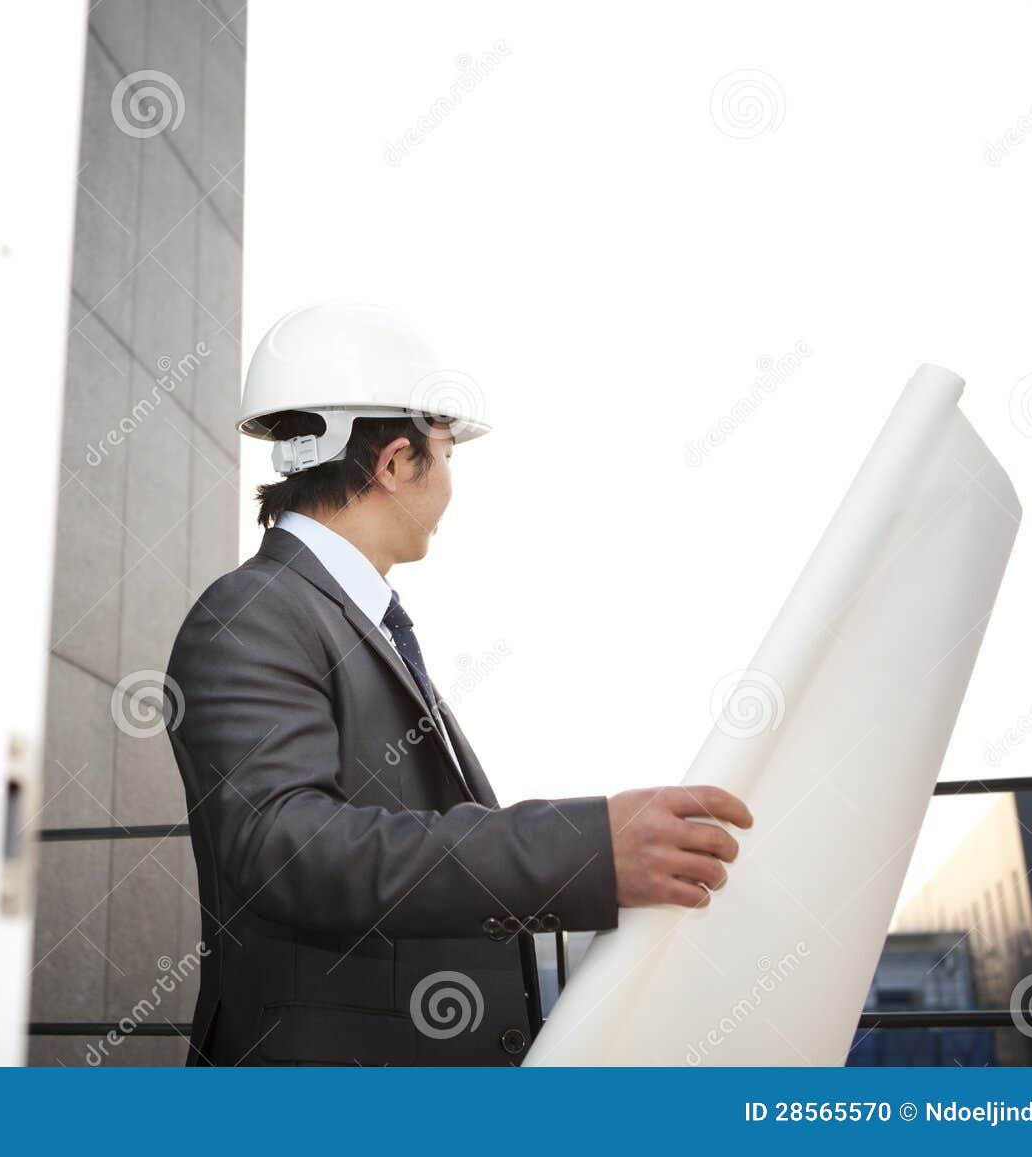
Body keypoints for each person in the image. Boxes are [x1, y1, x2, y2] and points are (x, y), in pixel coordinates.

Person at [165, 303, 753, 1065]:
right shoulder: (251, 612)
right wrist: (586, 850)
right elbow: (289, 851)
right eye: (446, 454)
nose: (448, 486)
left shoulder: (346, 618)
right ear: (395, 463)